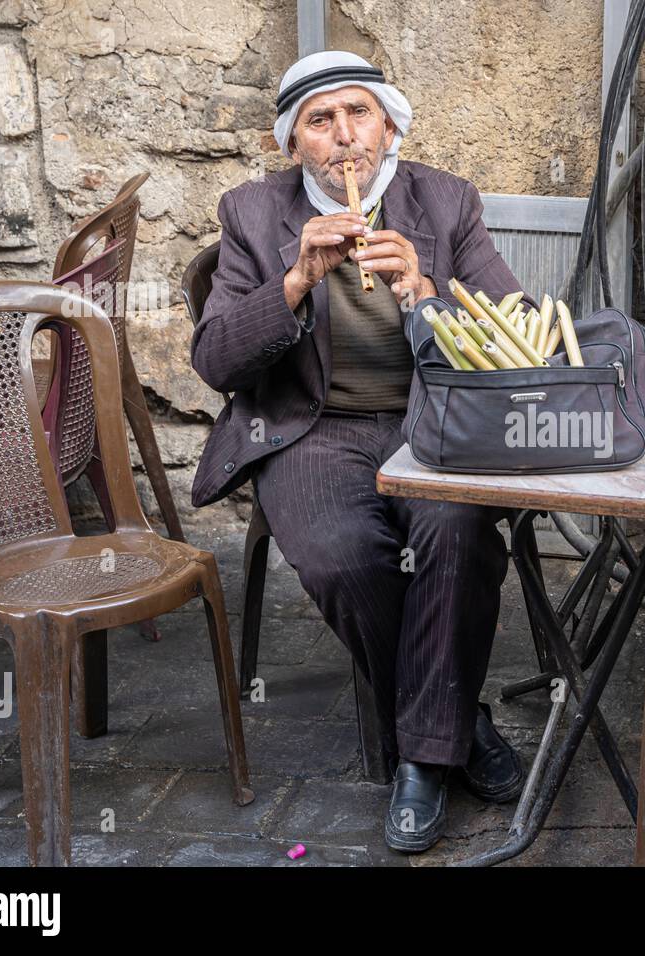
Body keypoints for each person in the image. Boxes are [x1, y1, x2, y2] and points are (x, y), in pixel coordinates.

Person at [190, 50, 526, 853]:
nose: (345, 138)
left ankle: (419, 754)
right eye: (321, 121)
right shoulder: (251, 213)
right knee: (340, 554)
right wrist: (294, 282)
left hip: (430, 422)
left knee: (458, 531)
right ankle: (455, 723)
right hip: (314, 427)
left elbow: (514, 335)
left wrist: (427, 293)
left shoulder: (444, 203)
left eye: (359, 114)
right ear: (292, 143)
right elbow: (215, 360)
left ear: (388, 123)